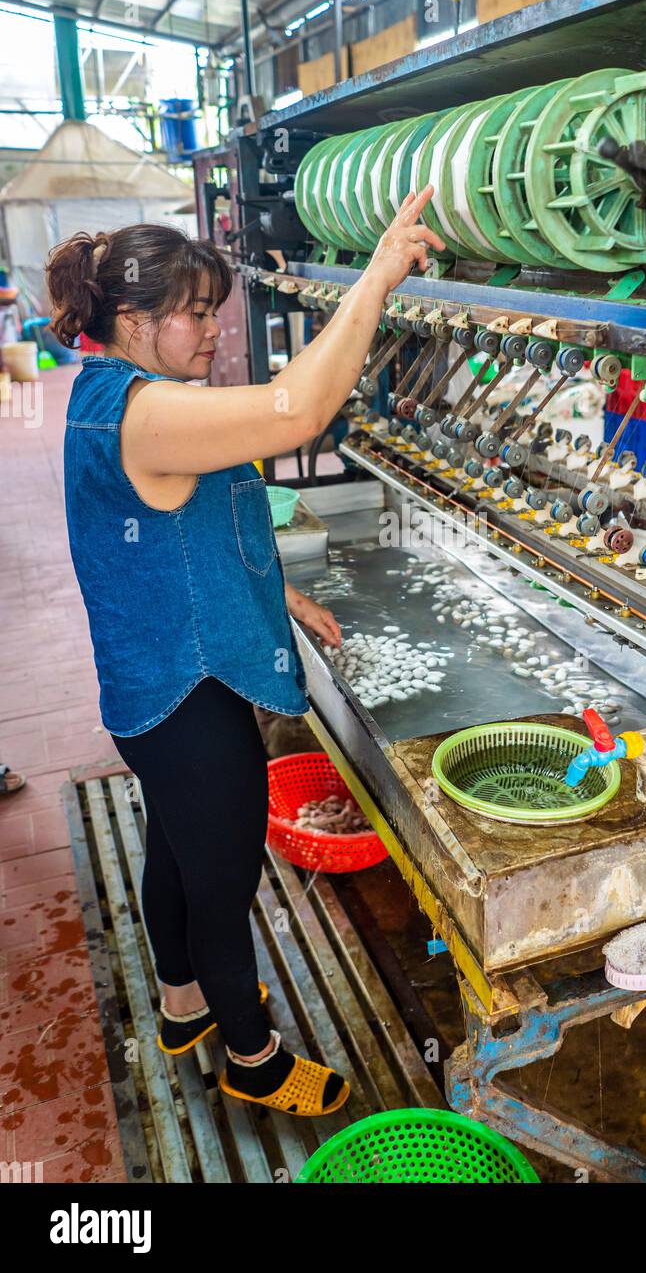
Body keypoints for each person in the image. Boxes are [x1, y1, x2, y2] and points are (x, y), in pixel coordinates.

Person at [47, 189, 445, 1117]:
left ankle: (185, 1008)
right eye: (194, 315)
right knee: (222, 880)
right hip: (190, 697)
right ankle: (254, 1058)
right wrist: (378, 275)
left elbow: (180, 533)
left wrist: (280, 594)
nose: (211, 332)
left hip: (153, 686)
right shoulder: (145, 417)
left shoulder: (110, 395)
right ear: (136, 323)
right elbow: (297, 409)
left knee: (176, 850)